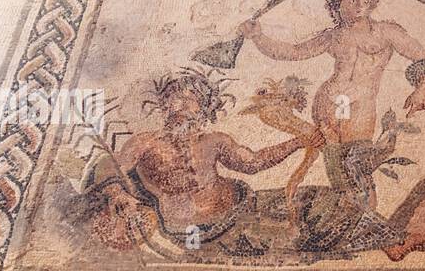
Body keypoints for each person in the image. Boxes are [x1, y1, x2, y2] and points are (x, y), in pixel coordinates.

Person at [237, 0, 425, 212]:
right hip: (328, 104)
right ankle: (348, 222)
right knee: (338, 173)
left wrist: (423, 89)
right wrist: (258, 36)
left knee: (359, 170)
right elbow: (293, 52)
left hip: (361, 106)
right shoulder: (333, 36)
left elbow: (423, 59)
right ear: (339, 3)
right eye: (352, 0)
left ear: (372, 3)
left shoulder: (386, 32)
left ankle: (366, 220)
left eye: (365, 0)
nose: (359, 5)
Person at [99, 69, 314, 246]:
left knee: (303, 215)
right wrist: (117, 193)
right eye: (176, 97)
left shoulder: (214, 140)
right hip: (180, 227)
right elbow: (109, 165)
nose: (183, 102)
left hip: (235, 211)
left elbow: (252, 162)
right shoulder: (145, 142)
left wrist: (296, 142)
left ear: (204, 108)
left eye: (193, 98)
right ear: (164, 104)